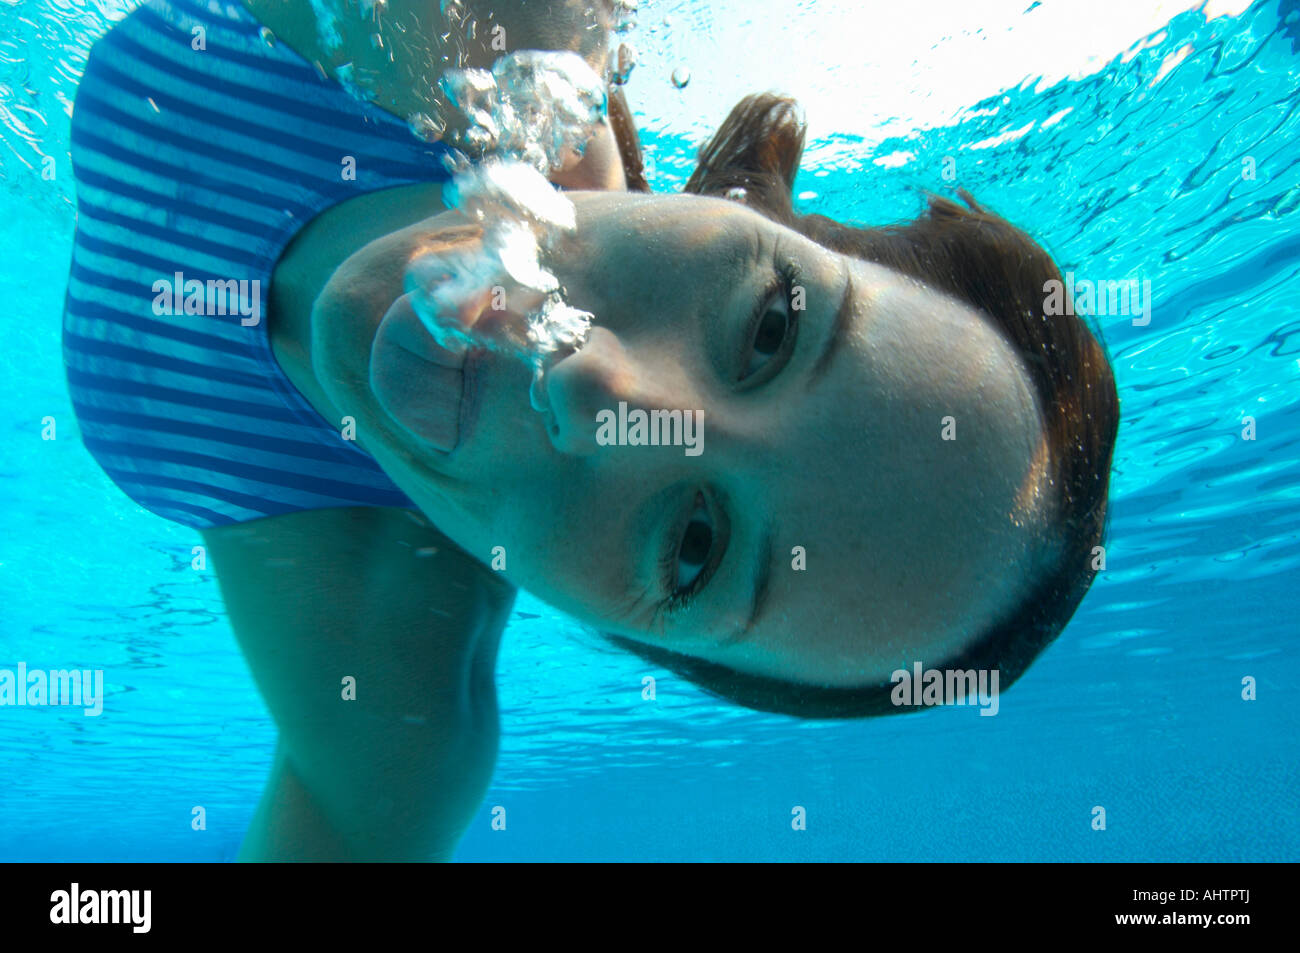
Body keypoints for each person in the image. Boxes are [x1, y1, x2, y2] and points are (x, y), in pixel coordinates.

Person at [63, 0, 1118, 861]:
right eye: (772, 325)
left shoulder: (390, 716)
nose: (596, 393)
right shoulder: (498, 43)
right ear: (763, 218)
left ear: (620, 628)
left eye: (695, 549)